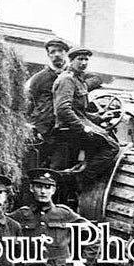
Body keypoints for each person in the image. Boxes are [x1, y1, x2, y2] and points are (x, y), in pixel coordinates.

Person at [50, 47, 120, 188]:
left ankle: (83, 171)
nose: (83, 63)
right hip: (69, 129)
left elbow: (80, 112)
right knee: (112, 147)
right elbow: (63, 109)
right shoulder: (67, 80)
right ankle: (81, 179)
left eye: (86, 59)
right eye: (80, 59)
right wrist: (84, 128)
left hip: (75, 126)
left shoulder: (79, 80)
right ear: (71, 60)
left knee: (105, 138)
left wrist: (100, 118)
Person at [23, 38, 70, 169]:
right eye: (52, 52)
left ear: (66, 53)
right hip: (42, 131)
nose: (56, 54)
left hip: (63, 131)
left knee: (59, 168)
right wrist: (29, 124)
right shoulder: (39, 78)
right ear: (48, 55)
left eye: (60, 51)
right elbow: (29, 102)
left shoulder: (71, 77)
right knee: (36, 166)